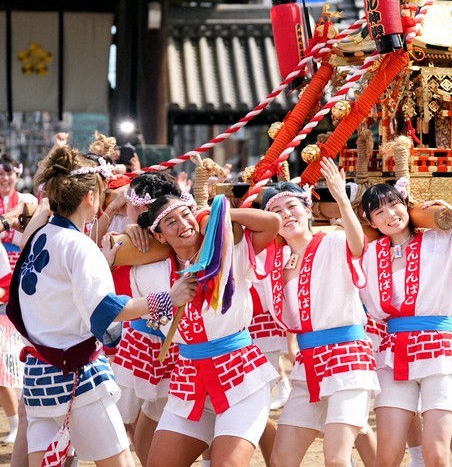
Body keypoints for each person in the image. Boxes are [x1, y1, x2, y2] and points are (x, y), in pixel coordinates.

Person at [8, 146, 197, 466]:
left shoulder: (39, 236)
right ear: (91, 198)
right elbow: (105, 309)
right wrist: (168, 298)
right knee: (119, 462)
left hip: (40, 373)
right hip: (78, 373)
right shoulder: (80, 246)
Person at [129, 188, 281, 467]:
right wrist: (127, 232)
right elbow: (109, 267)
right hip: (190, 380)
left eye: (186, 215)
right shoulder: (147, 272)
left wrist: (218, 215)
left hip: (240, 376)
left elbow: (272, 223)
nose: (183, 224)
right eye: (171, 221)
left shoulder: (229, 248)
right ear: (159, 236)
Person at [358, 180, 452, 467]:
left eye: (394, 205)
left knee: (437, 453)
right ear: (370, 220)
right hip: (392, 354)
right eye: (379, 211)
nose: (390, 214)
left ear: (407, 205)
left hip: (440, 350)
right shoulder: (369, 253)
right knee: (387, 456)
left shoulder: (440, 239)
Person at [263, 158, 380, 467]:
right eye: (276, 212)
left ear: (307, 209)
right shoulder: (276, 262)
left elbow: (358, 246)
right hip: (307, 364)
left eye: (292, 207)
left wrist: (341, 198)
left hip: (348, 359)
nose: (286, 215)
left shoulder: (333, 240)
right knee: (281, 460)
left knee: (337, 459)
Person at [107, 172, 183, 464]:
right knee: (131, 423)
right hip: (137, 337)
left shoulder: (167, 236)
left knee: (179, 424)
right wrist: (118, 217)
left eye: (129, 203)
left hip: (174, 340)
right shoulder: (128, 237)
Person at [0, 154, 37, 446]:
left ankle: (22, 415)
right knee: (6, 361)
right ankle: (16, 420)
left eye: (9, 173)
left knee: (19, 354)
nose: (4, 178)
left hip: (24, 281)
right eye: (0, 174)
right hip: (2, 284)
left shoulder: (26, 200)